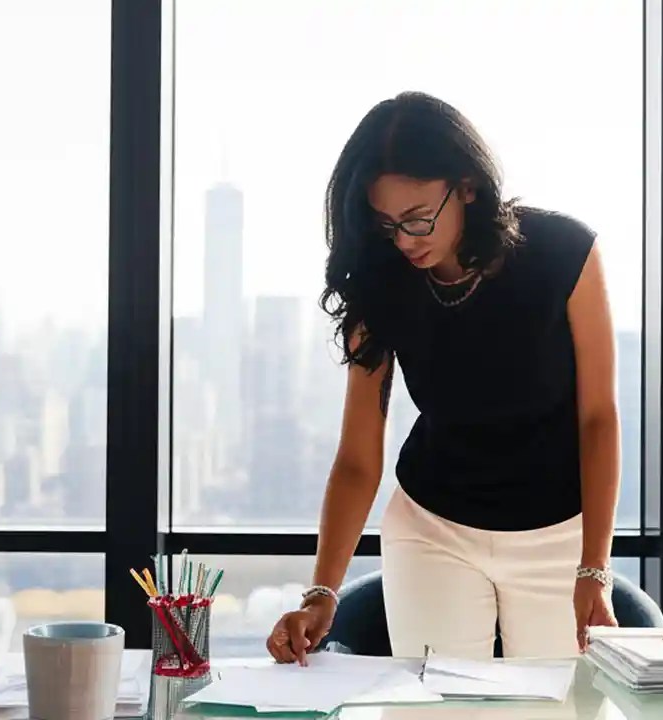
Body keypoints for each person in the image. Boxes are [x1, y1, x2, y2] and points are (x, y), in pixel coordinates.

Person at [266, 91, 621, 664]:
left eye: (418, 218)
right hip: (433, 530)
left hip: (556, 533)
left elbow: (598, 418)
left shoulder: (564, 254)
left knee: (559, 707)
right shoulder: (380, 283)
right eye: (387, 225)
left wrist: (594, 567)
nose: (405, 240)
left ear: (468, 186)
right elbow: (359, 455)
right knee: (436, 708)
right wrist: (321, 593)